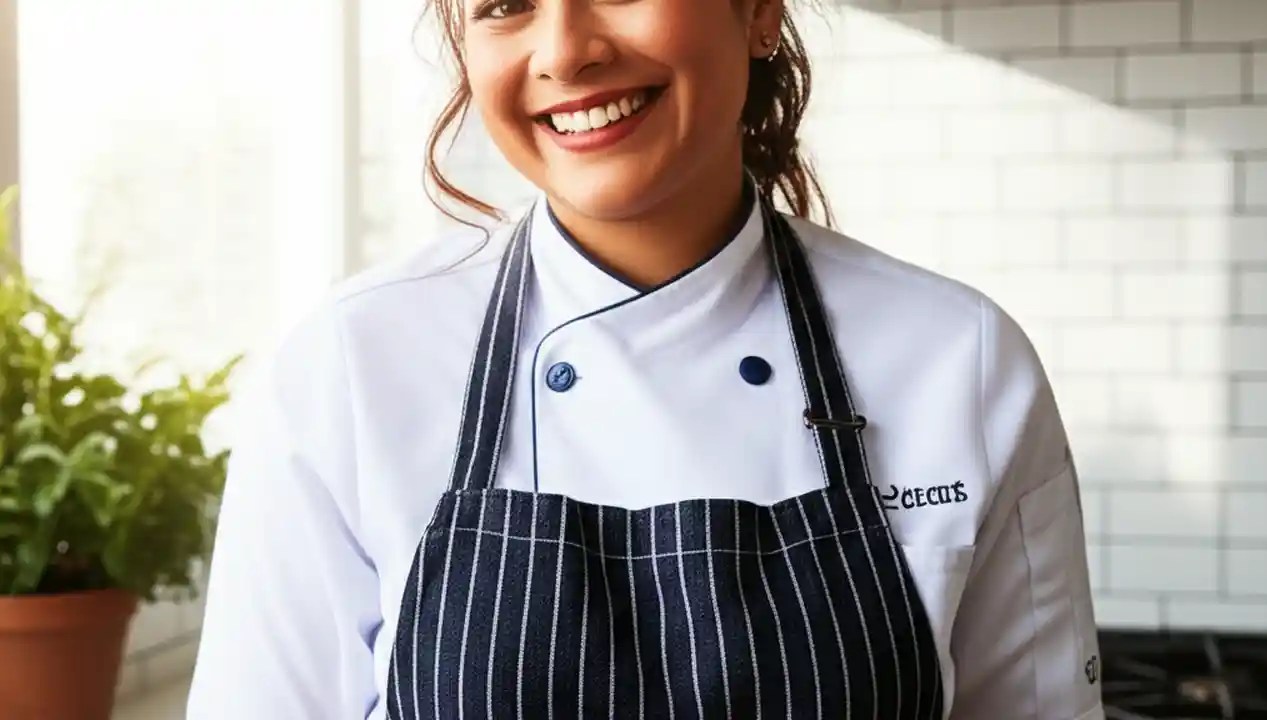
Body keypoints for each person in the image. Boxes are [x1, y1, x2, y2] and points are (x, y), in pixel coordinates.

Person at [187, 0, 1105, 718]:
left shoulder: (958, 358)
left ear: (759, 13)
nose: (564, 52)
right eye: (504, 4)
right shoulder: (354, 362)